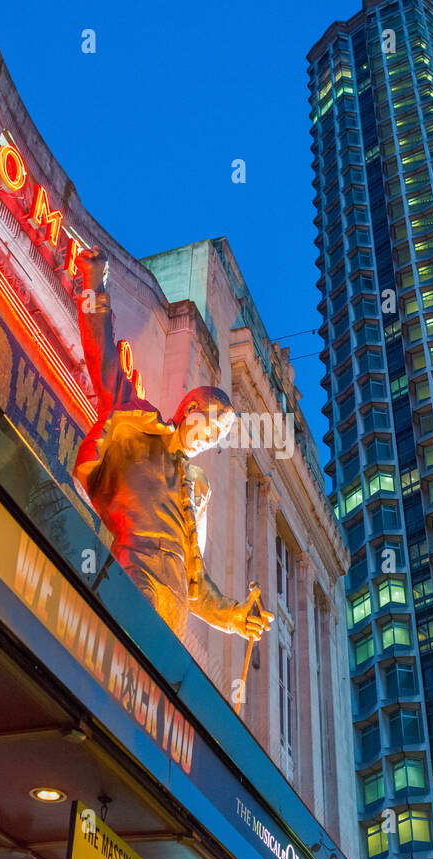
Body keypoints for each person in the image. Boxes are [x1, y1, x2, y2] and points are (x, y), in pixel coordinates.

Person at [72, 247, 274, 643]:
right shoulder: (138, 424)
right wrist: (95, 284)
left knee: (156, 691)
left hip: (175, 602)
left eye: (218, 438)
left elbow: (195, 583)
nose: (211, 441)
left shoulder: (196, 489)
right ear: (191, 409)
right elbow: (103, 355)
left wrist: (234, 616)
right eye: (212, 428)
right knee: (123, 656)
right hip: (136, 570)